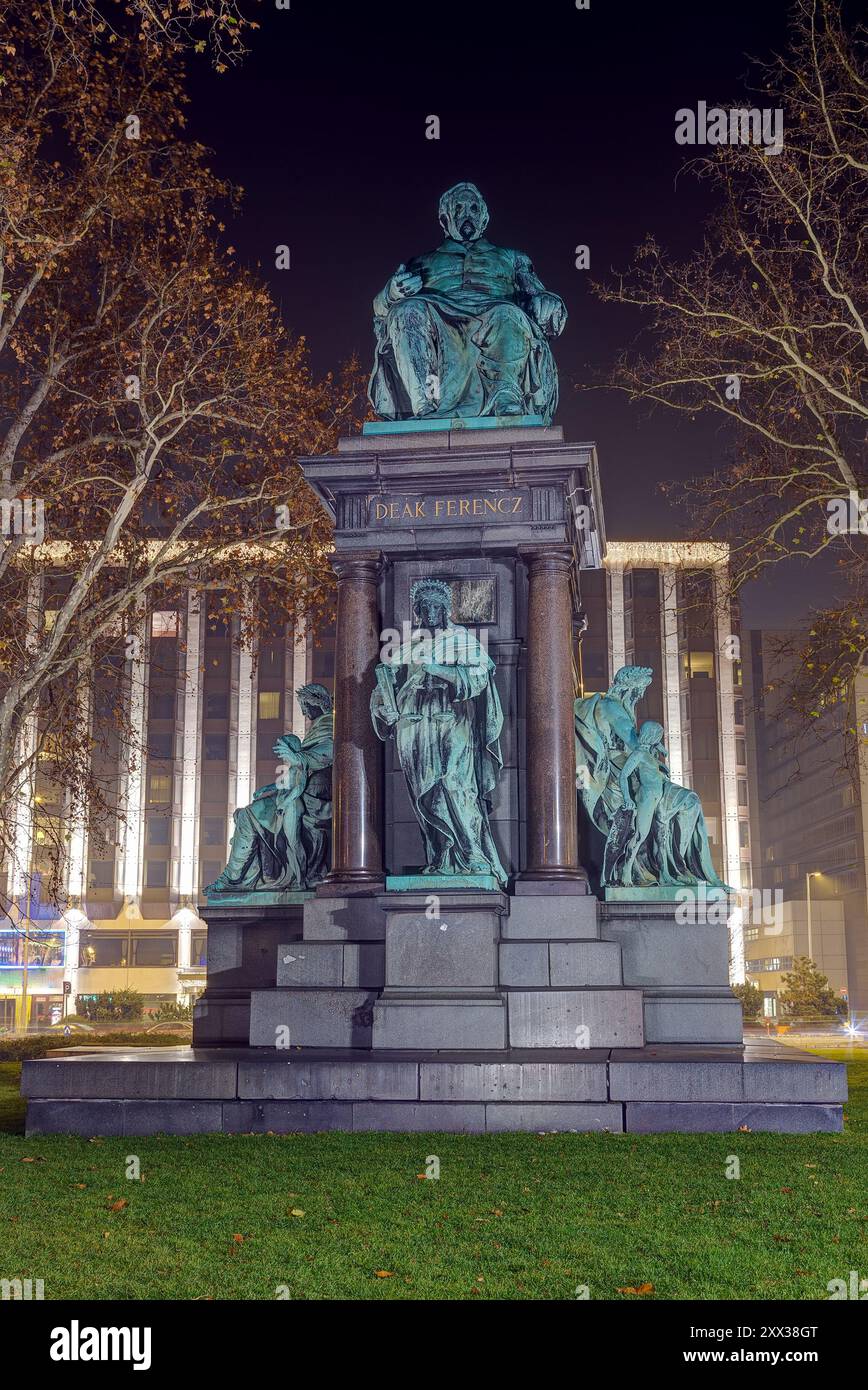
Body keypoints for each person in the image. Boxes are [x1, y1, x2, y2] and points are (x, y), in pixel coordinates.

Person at [368, 183, 566, 423]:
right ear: (444, 218)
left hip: (494, 311)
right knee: (406, 310)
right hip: (438, 313)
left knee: (507, 313)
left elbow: (537, 293)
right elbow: (379, 310)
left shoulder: (513, 258)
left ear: (484, 218)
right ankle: (427, 405)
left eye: (474, 208)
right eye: (459, 208)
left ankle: (505, 396)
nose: (467, 214)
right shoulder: (420, 261)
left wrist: (549, 303)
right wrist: (391, 293)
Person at [371, 577, 506, 883]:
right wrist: (385, 702)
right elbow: (384, 688)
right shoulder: (409, 647)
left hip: (452, 720)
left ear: (446, 610)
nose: (429, 612)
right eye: (423, 607)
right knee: (425, 795)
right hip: (415, 725)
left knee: (456, 786)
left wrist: (436, 668)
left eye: (436, 606)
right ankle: (442, 855)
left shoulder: (462, 640)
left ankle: (473, 854)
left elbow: (479, 677)